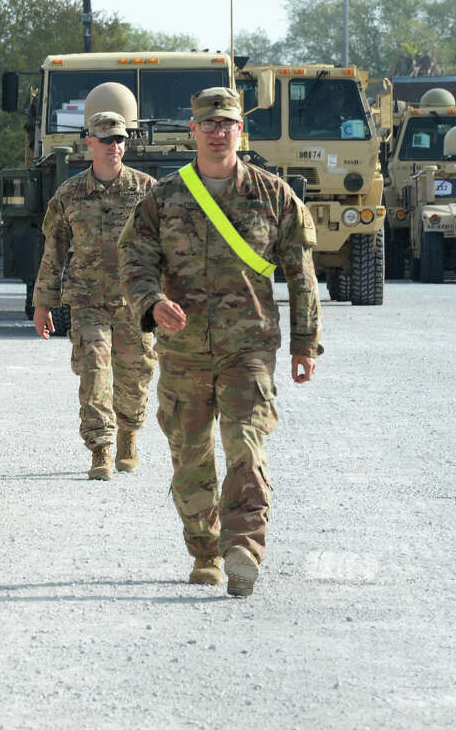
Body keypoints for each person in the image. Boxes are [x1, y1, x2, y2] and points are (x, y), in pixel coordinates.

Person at [117, 86, 321, 597]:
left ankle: (244, 549)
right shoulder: (162, 199)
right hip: (183, 350)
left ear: (239, 129)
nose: (216, 131)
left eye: (226, 122)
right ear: (193, 130)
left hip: (247, 347)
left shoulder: (273, 196)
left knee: (246, 447)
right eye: (207, 123)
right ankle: (205, 549)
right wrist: (151, 303)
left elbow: (301, 274)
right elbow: (134, 262)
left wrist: (304, 343)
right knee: (190, 457)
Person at [32, 107, 157, 481]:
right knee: (94, 371)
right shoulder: (69, 194)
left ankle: (128, 436)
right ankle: (101, 449)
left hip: (134, 302)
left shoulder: (148, 190)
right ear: (90, 143)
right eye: (106, 140)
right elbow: (53, 251)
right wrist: (43, 303)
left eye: (120, 139)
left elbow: (167, 246)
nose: (114, 146)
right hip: (87, 300)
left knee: (135, 376)